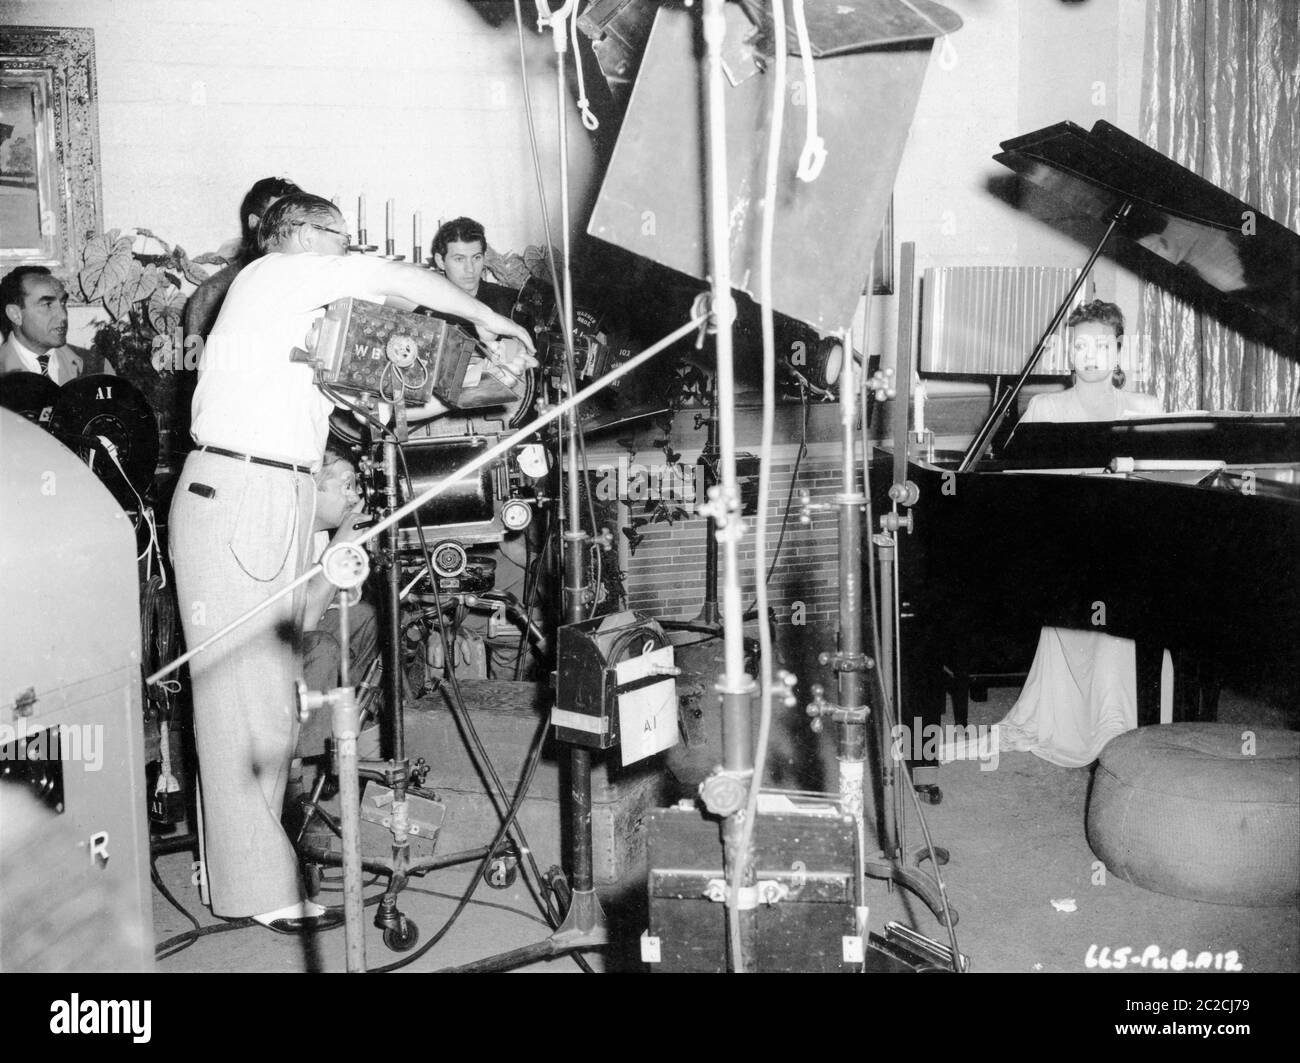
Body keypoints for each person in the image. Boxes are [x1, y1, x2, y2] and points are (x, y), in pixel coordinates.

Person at [168, 191, 536, 934]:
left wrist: (487, 383)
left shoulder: (292, 317)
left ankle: (240, 869)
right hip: (246, 490)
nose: (349, 250)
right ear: (304, 235)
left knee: (263, 695)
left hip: (263, 489)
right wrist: (492, 318)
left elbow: (372, 411)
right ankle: (258, 888)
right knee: (246, 700)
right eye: (340, 238)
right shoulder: (279, 272)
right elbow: (393, 279)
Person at [997, 300, 1162, 767]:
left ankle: (1122, 728)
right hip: (1067, 543)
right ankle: (1094, 727)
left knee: (1129, 590)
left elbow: (1162, 487)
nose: (1091, 355)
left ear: (1119, 350)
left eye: (1102, 345)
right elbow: (1023, 487)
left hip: (1130, 541)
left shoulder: (1145, 407)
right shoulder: (1045, 407)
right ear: (1069, 353)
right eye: (1081, 345)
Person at [183, 176, 301, 341]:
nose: (291, 232)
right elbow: (195, 362)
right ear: (254, 222)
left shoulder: (301, 281)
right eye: (280, 221)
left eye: (297, 223)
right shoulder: (213, 294)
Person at [0, 266, 115, 382]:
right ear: (15, 314)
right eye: (47, 305)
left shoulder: (96, 367)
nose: (63, 315)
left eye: (63, 302)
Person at [430, 216, 519, 323]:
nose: (470, 269)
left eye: (476, 258)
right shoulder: (429, 309)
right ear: (440, 261)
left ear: (484, 257)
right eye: (459, 259)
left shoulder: (513, 302)